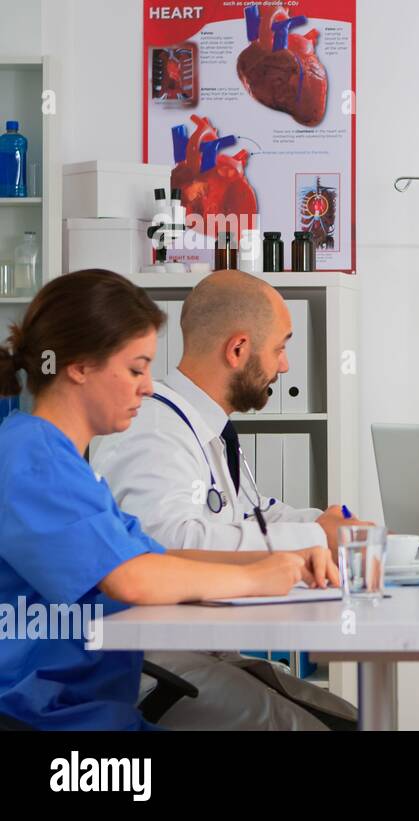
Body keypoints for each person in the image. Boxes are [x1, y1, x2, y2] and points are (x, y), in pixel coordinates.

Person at [0, 269, 336, 730]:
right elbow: (133, 579)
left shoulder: (63, 463)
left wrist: (291, 558)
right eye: (136, 369)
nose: (146, 386)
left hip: (89, 706)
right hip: (48, 716)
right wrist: (257, 577)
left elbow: (155, 554)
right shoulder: (32, 456)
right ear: (78, 366)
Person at [91, 268, 364, 730]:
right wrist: (315, 536)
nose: (285, 365)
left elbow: (252, 513)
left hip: (201, 647)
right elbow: (165, 540)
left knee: (356, 721)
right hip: (152, 661)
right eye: (280, 347)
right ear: (238, 350)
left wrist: (332, 525)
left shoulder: (206, 427)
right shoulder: (154, 428)